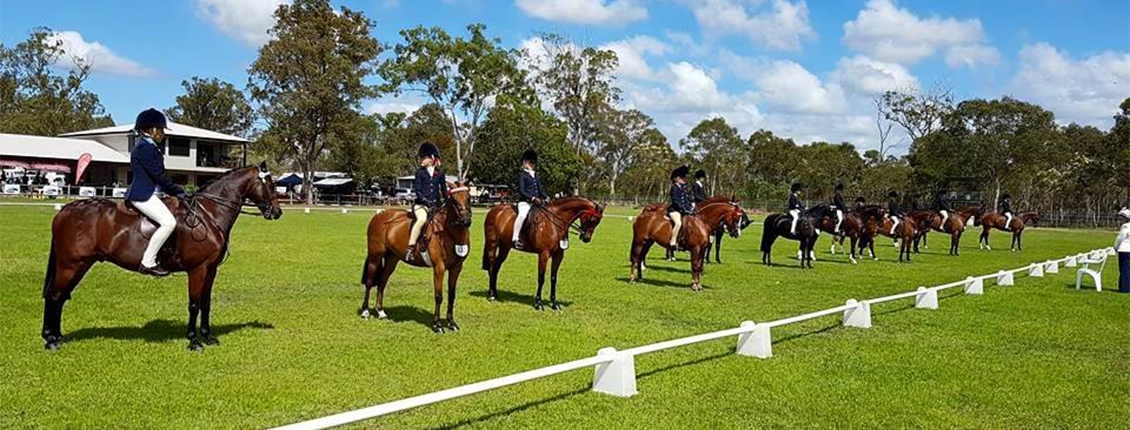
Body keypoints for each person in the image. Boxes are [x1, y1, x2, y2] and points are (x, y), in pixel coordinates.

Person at [125, 108, 186, 277]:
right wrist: (177, 190)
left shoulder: (151, 147)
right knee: (169, 223)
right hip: (143, 194)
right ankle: (148, 262)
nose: (163, 133)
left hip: (153, 193)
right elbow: (158, 176)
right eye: (160, 130)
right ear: (150, 130)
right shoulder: (144, 148)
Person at [407, 142, 446, 261]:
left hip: (435, 205)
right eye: (421, 158)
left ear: (431, 159)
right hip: (421, 205)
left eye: (423, 158)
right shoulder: (420, 173)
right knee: (422, 220)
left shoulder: (440, 173)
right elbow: (417, 190)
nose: (421, 160)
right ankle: (411, 247)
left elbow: (443, 190)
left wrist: (447, 201)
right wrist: (425, 200)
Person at [512, 149, 547, 249]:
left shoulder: (536, 175)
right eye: (530, 162)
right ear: (525, 162)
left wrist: (546, 197)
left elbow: (540, 190)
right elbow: (522, 191)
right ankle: (515, 238)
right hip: (525, 203)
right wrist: (532, 198)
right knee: (522, 216)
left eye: (533, 162)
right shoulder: (522, 175)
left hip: (537, 203)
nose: (532, 164)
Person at [668, 165, 694, 249]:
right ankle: (673, 241)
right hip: (675, 210)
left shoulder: (683, 188)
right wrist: (684, 209)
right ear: (677, 178)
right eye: (683, 178)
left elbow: (686, 199)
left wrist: (690, 207)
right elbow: (676, 201)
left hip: (683, 210)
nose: (684, 179)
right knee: (678, 223)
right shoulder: (674, 188)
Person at [1116, 207, 1130, 293]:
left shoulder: (1125, 226)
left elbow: (1120, 238)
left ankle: (1124, 288)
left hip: (1124, 250)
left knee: (1124, 269)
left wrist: (1115, 247)